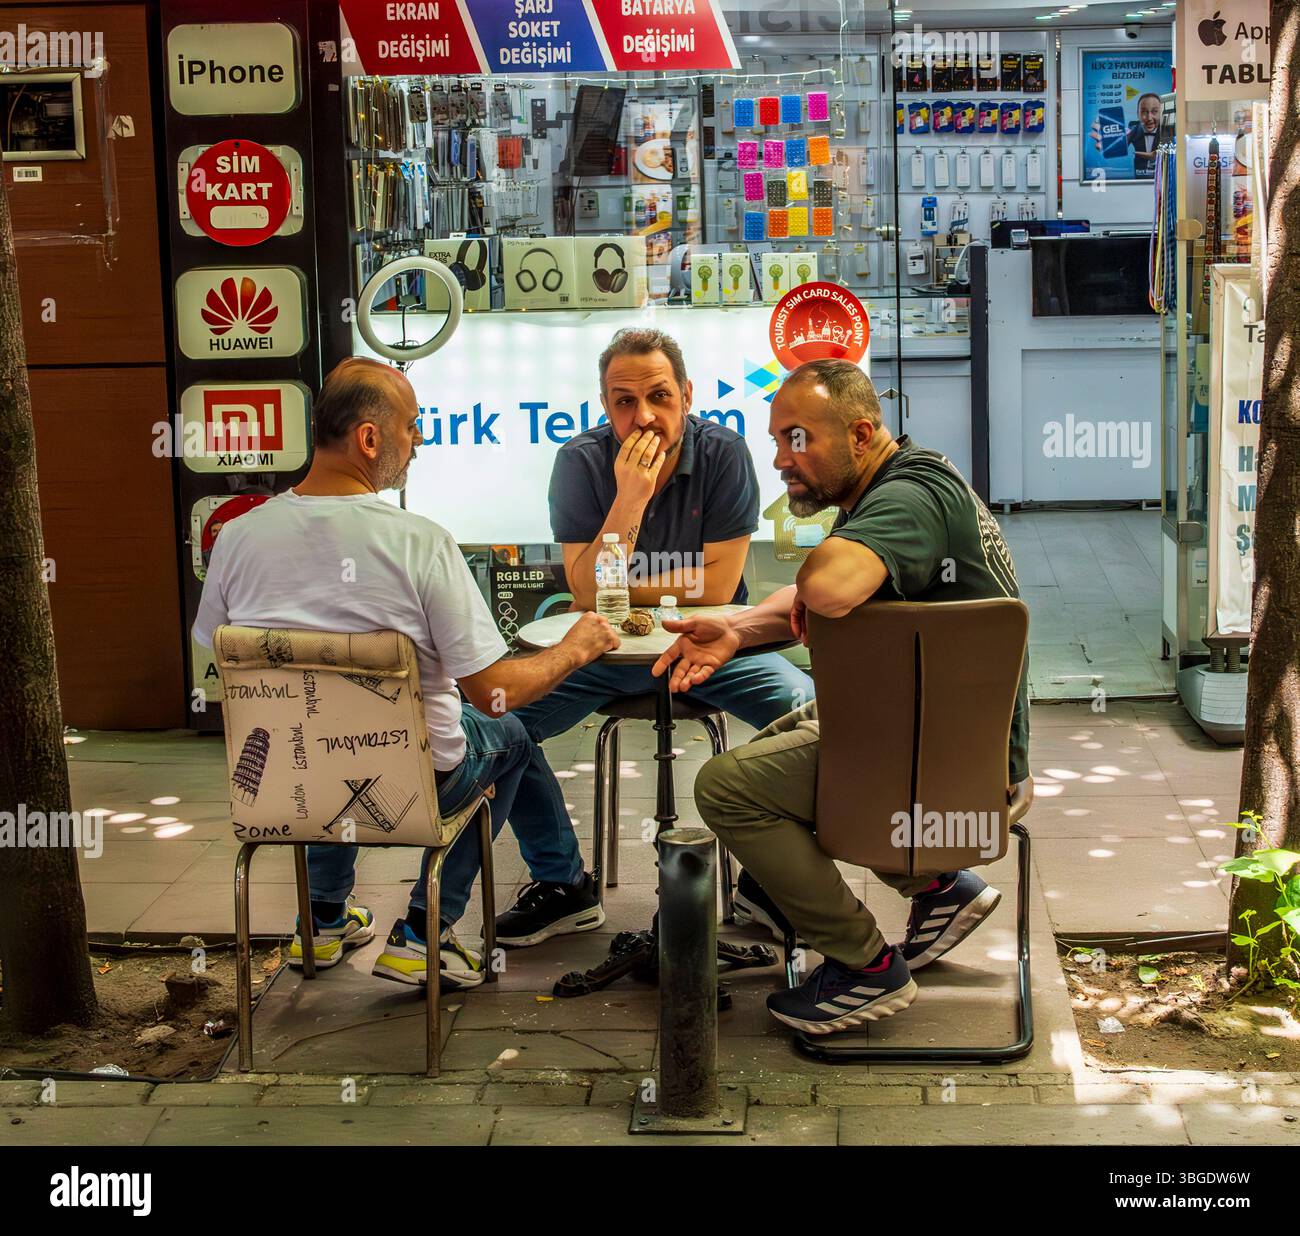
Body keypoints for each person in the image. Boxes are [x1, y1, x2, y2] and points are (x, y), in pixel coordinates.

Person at [193, 357, 619, 991]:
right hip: (415, 784)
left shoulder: (237, 537)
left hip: (286, 784)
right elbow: (494, 693)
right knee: (507, 739)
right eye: (412, 427)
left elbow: (216, 642)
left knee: (323, 735)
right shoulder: (419, 542)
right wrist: (576, 649)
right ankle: (425, 931)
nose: (417, 442)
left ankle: (324, 920)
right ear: (369, 438)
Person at [651, 360, 1030, 1035]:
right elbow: (818, 600)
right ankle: (938, 889)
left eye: (797, 439)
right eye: (775, 441)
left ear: (861, 433)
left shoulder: (908, 499)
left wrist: (811, 585)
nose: (780, 461)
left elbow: (824, 588)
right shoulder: (902, 485)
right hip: (939, 738)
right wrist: (735, 630)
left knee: (729, 788)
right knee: (777, 738)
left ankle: (864, 966)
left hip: (949, 771)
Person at [492, 327, 815, 948]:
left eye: (659, 396)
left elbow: (720, 584)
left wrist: (620, 581)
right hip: (603, 652)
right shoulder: (581, 463)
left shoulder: (723, 455)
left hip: (710, 645)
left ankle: (774, 886)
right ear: (604, 404)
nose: (643, 417)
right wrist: (630, 501)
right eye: (622, 401)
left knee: (814, 712)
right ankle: (562, 886)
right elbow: (588, 596)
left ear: (687, 395)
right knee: (498, 723)